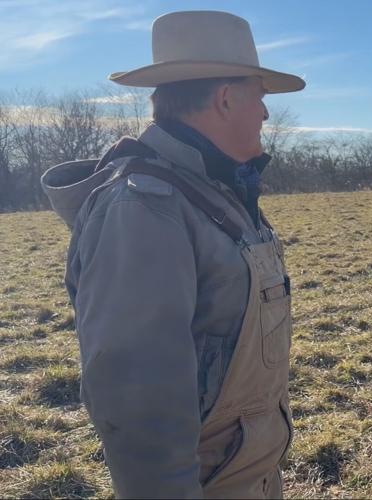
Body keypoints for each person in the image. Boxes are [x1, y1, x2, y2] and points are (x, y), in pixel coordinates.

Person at [41, 10, 304, 498]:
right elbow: (140, 408)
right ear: (225, 99)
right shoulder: (142, 209)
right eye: (260, 98)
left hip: (248, 474)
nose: (266, 115)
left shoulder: (213, 188)